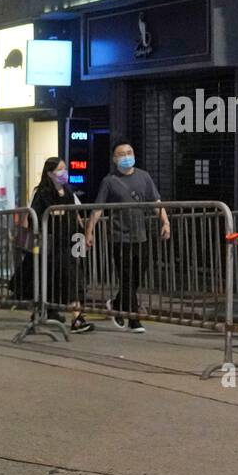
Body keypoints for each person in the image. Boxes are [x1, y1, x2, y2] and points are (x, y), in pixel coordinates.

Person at [85, 141, 171, 333]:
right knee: (126, 277)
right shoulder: (109, 181)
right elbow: (98, 208)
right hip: (118, 237)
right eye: (121, 154)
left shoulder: (144, 176)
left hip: (140, 235)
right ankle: (134, 320)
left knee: (137, 275)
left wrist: (165, 222)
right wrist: (89, 231)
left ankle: (116, 303)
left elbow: (156, 200)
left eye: (129, 152)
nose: (126, 156)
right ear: (115, 159)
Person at [31, 157, 94, 333]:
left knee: (74, 274)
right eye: (60, 169)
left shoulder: (67, 191)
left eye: (65, 169)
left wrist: (86, 232)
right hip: (53, 243)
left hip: (72, 239)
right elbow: (34, 217)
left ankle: (55, 311)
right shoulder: (43, 194)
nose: (64, 172)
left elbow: (76, 214)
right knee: (65, 276)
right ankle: (75, 318)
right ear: (50, 173)